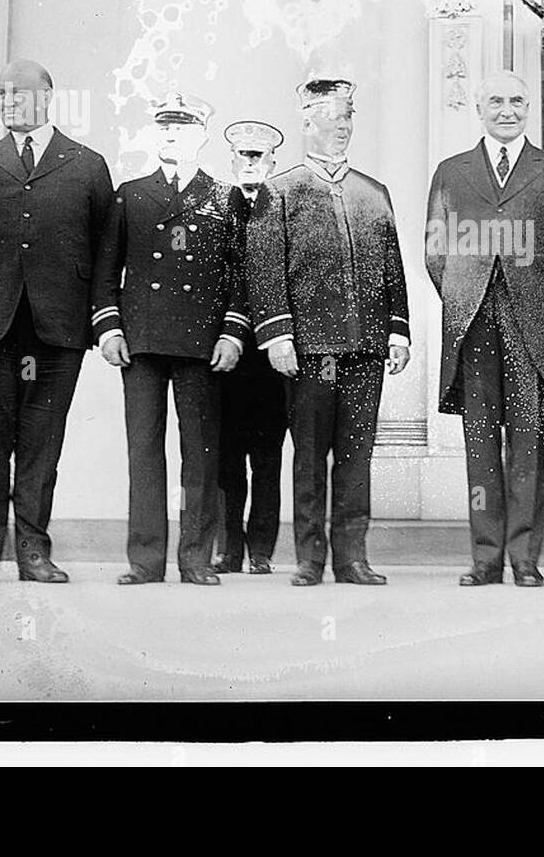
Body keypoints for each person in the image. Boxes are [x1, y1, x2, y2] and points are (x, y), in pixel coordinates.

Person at [0, 59, 114, 584]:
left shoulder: (87, 165)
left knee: (41, 443)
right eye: (2, 95)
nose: (8, 102)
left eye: (19, 93)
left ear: (48, 96)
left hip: (58, 327)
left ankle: (34, 552)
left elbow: (105, 250)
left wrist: (103, 319)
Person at [425, 71, 544, 587]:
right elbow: (436, 252)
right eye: (495, 100)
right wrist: (463, 294)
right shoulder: (452, 172)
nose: (506, 110)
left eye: (516, 101)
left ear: (529, 108)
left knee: (528, 446)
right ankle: (484, 557)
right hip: (474, 324)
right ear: (479, 106)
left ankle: (524, 558)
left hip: (533, 328)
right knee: (480, 446)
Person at [247, 78, 410, 587]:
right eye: (331, 117)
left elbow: (392, 269)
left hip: (365, 348)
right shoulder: (280, 192)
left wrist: (398, 332)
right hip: (310, 351)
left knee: (357, 458)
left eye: (348, 118)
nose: (341, 127)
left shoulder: (373, 192)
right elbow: (265, 270)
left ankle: (352, 558)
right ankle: (310, 559)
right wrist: (278, 337)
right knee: (311, 457)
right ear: (306, 121)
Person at [93, 93, 250, 586]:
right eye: (163, 128)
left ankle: (196, 559)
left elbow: (244, 275)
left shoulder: (225, 197)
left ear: (201, 136)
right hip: (140, 340)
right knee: (143, 449)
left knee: (201, 451)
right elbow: (105, 270)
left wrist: (232, 333)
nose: (170, 135)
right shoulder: (130, 194)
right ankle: (144, 561)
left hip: (202, 343)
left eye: (181, 129)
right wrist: (109, 327)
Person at [212, 120, 289, 575]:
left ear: (273, 162)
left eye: (259, 157)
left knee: (267, 456)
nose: (250, 164)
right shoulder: (217, 208)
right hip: (225, 352)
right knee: (225, 456)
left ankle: (261, 548)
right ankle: (229, 548)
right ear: (231, 160)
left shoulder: (284, 206)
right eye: (243, 156)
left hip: (271, 355)